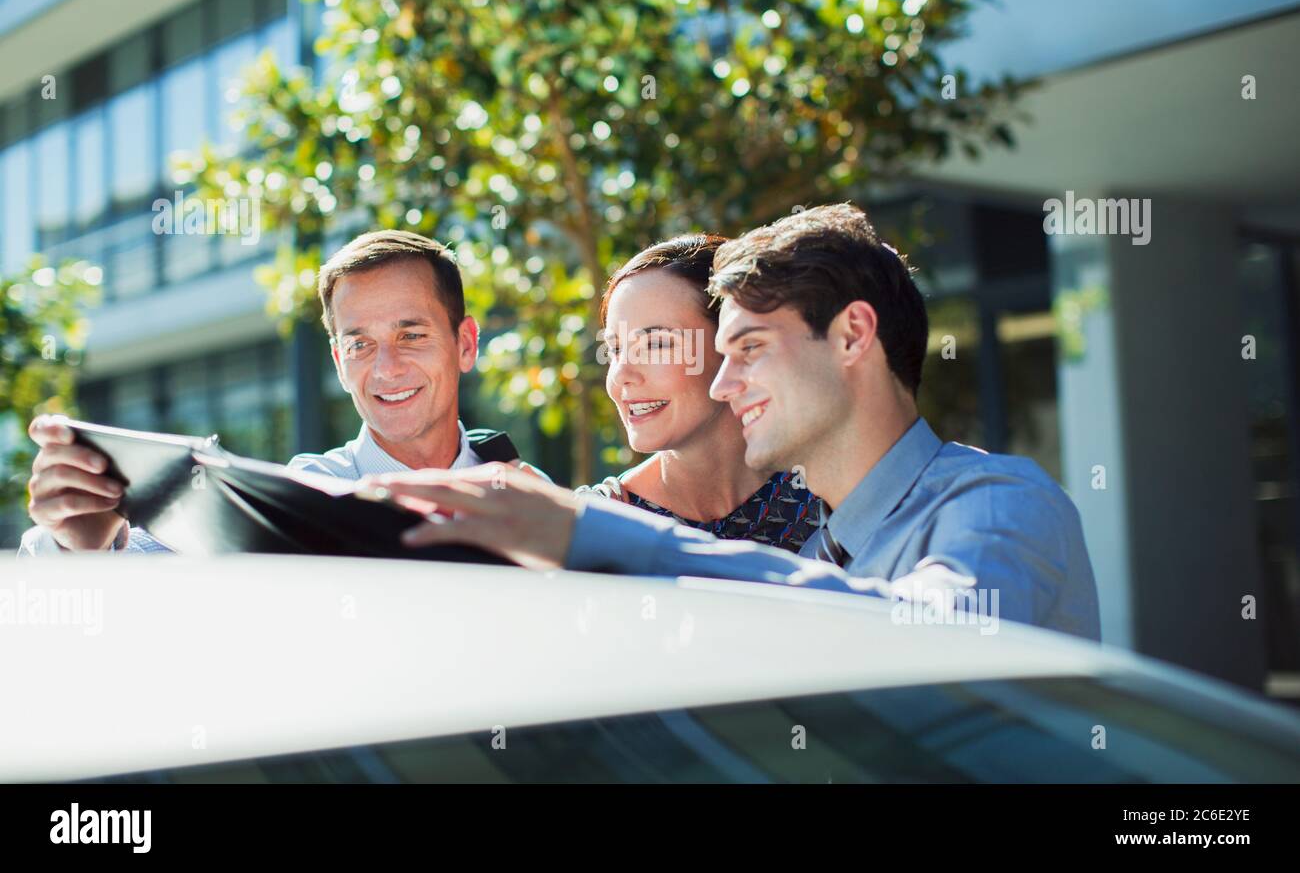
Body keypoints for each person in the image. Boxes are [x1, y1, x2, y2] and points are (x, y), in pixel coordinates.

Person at [366, 204, 1101, 639]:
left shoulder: (997, 502)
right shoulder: (824, 551)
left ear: (851, 337)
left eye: (746, 348)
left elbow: (929, 639)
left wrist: (606, 539)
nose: (723, 381)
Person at [20, 229, 545, 556]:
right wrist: (75, 544)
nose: (387, 368)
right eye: (359, 344)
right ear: (340, 363)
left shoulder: (528, 488)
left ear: (466, 344)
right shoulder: (305, 495)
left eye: (412, 335)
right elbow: (170, 557)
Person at [581, 234, 821, 552]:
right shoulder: (597, 521)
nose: (621, 375)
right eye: (615, 349)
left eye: (656, 345)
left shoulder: (829, 494)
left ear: (735, 344)